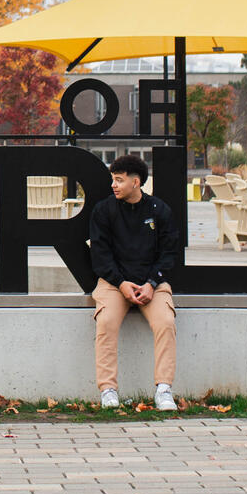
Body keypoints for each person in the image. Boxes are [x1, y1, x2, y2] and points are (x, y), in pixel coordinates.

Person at [89, 154, 180, 410]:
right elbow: (100, 255)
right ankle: (108, 391)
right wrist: (121, 284)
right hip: (114, 283)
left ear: (136, 182)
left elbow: (169, 254)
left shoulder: (159, 210)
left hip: (152, 284)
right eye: (113, 180)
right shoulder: (103, 210)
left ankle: (164, 390)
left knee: (166, 322)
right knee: (105, 322)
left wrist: (152, 283)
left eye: (119, 180)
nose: (113, 185)